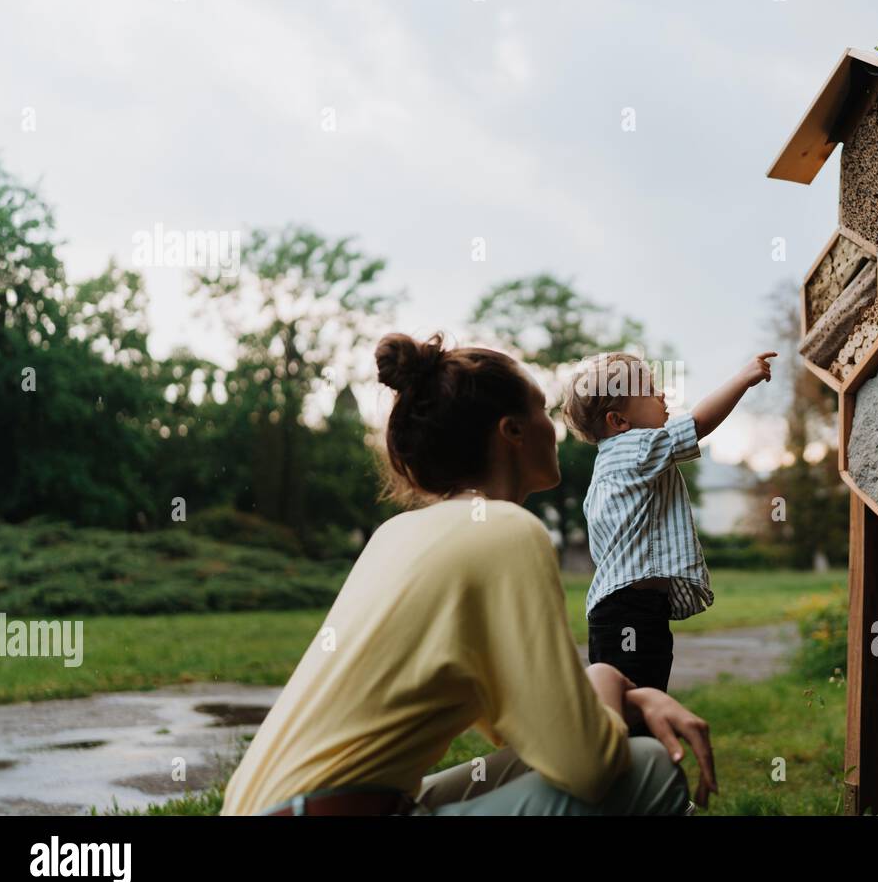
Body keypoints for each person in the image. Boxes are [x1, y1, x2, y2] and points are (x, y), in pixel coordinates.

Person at [219, 332, 717, 816]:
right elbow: (590, 768)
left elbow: (538, 732)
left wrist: (624, 696)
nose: (556, 427)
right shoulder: (506, 531)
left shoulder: (395, 534)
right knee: (646, 766)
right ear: (512, 431)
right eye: (542, 410)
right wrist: (613, 678)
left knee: (534, 761)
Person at [562, 351, 776, 702]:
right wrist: (742, 380)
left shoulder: (610, 461)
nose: (662, 395)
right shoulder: (635, 449)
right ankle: (637, 754)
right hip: (629, 612)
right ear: (619, 421)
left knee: (627, 703)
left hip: (622, 613)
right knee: (641, 701)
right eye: (649, 390)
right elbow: (698, 423)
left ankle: (628, 753)